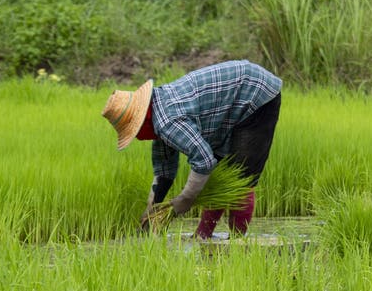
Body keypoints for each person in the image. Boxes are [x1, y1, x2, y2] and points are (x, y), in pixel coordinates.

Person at [101, 60, 282, 238]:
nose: (139, 138)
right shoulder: (158, 114)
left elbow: (204, 161)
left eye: (135, 132)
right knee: (217, 178)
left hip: (256, 92)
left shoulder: (167, 122)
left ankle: (236, 244)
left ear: (141, 122)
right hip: (230, 106)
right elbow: (165, 172)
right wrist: (151, 211)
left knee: (240, 178)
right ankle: (203, 236)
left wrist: (185, 199)